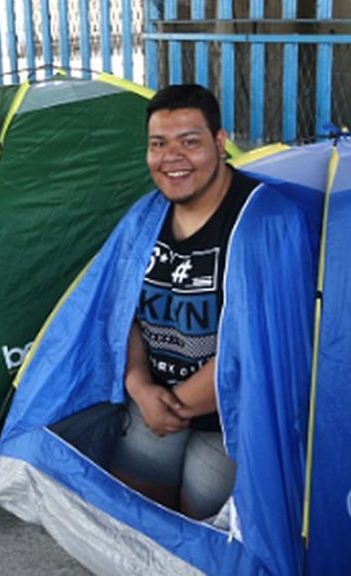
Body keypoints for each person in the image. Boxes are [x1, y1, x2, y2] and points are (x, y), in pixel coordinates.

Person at [110, 84, 259, 520]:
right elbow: (123, 311)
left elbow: (256, 344)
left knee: (202, 523)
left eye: (189, 142)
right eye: (159, 144)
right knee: (139, 514)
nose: (171, 157)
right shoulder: (147, 215)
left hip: (231, 417)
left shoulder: (258, 217)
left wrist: (172, 406)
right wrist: (139, 386)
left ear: (219, 142)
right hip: (153, 396)